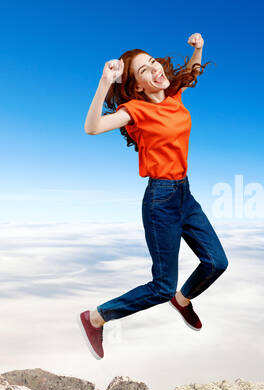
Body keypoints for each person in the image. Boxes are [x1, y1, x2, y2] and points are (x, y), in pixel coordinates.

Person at [77, 33, 228, 359]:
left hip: (185, 194)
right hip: (161, 201)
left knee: (217, 262)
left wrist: (198, 49)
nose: (155, 70)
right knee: (161, 286)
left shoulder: (174, 97)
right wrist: (105, 82)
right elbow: (93, 127)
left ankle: (183, 299)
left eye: (153, 63)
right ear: (138, 86)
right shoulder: (135, 111)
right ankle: (96, 317)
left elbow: (192, 71)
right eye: (144, 71)